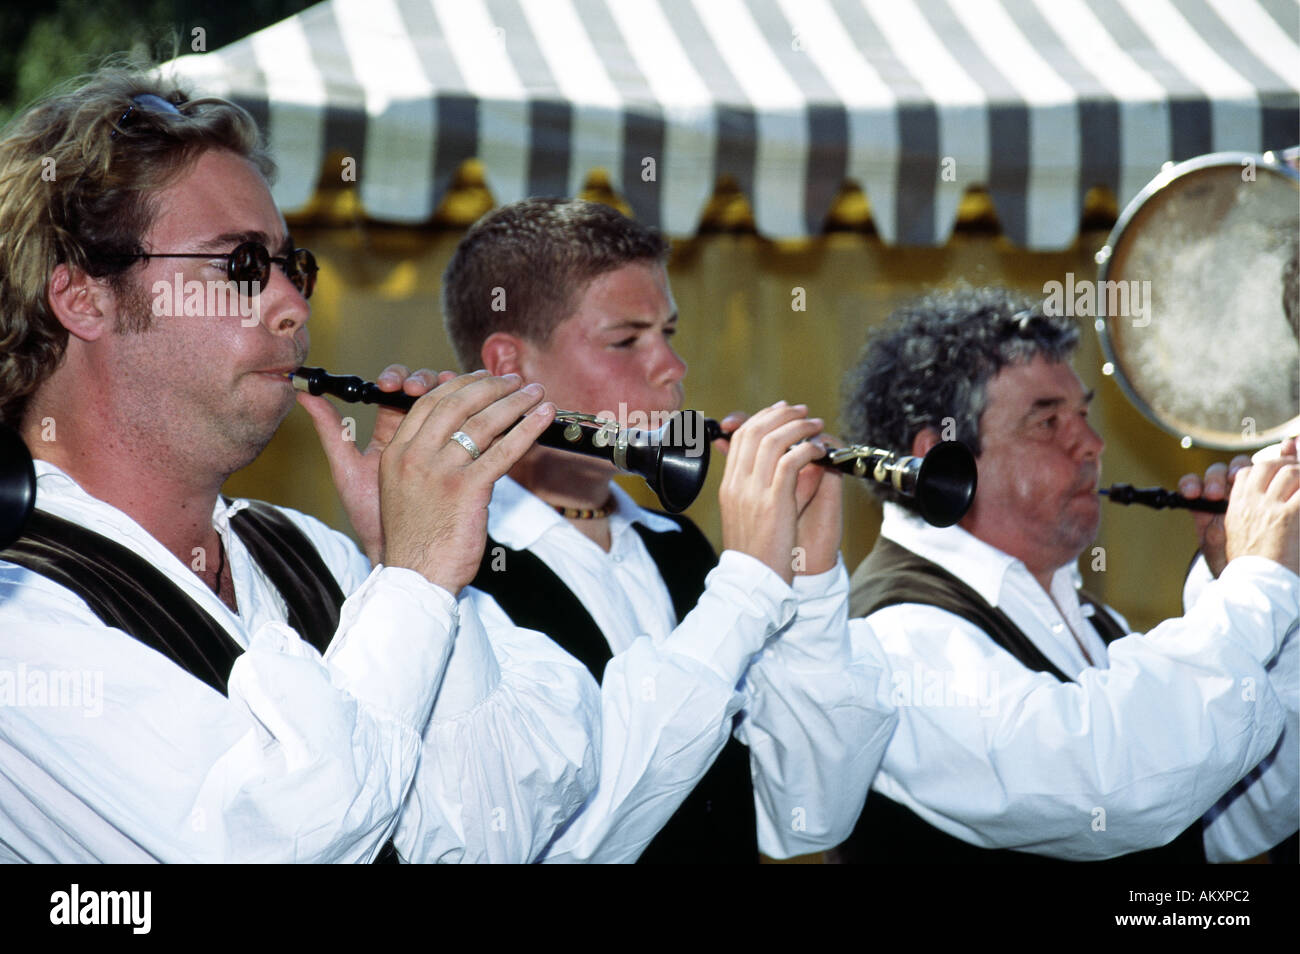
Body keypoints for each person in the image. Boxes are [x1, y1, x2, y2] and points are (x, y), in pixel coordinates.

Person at [0, 68, 604, 862]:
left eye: (294, 267)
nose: (292, 303)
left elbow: (495, 831)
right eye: (242, 265)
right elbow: (268, 846)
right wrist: (415, 583)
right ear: (83, 299)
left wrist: (403, 557)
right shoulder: (19, 609)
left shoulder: (308, 554)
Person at [441, 197, 896, 862]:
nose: (671, 369)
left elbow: (809, 815)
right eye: (626, 340)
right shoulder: (461, 575)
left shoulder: (679, 546)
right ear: (511, 366)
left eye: (668, 334)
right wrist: (747, 584)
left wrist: (811, 569)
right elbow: (567, 840)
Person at [834, 286, 1299, 862]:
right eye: (1047, 422)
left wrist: (1266, 593)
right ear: (940, 456)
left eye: (1082, 414)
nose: (1093, 445)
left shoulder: (1090, 619)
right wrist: (1257, 584)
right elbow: (1101, 785)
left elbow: (1229, 819)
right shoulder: (894, 632)